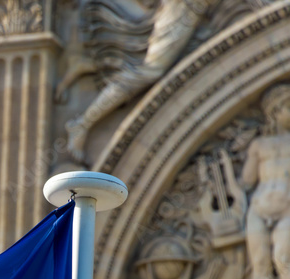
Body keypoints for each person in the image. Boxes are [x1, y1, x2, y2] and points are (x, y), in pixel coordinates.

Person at [63, 0, 217, 162]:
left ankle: (92, 65)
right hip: (185, 8)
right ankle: (82, 123)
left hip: (197, 11)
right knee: (151, 70)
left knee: (161, 58)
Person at [241, 84, 290, 279]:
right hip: (258, 209)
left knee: (284, 258)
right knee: (260, 263)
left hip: (288, 210)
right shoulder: (259, 145)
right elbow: (247, 181)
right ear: (275, 111)